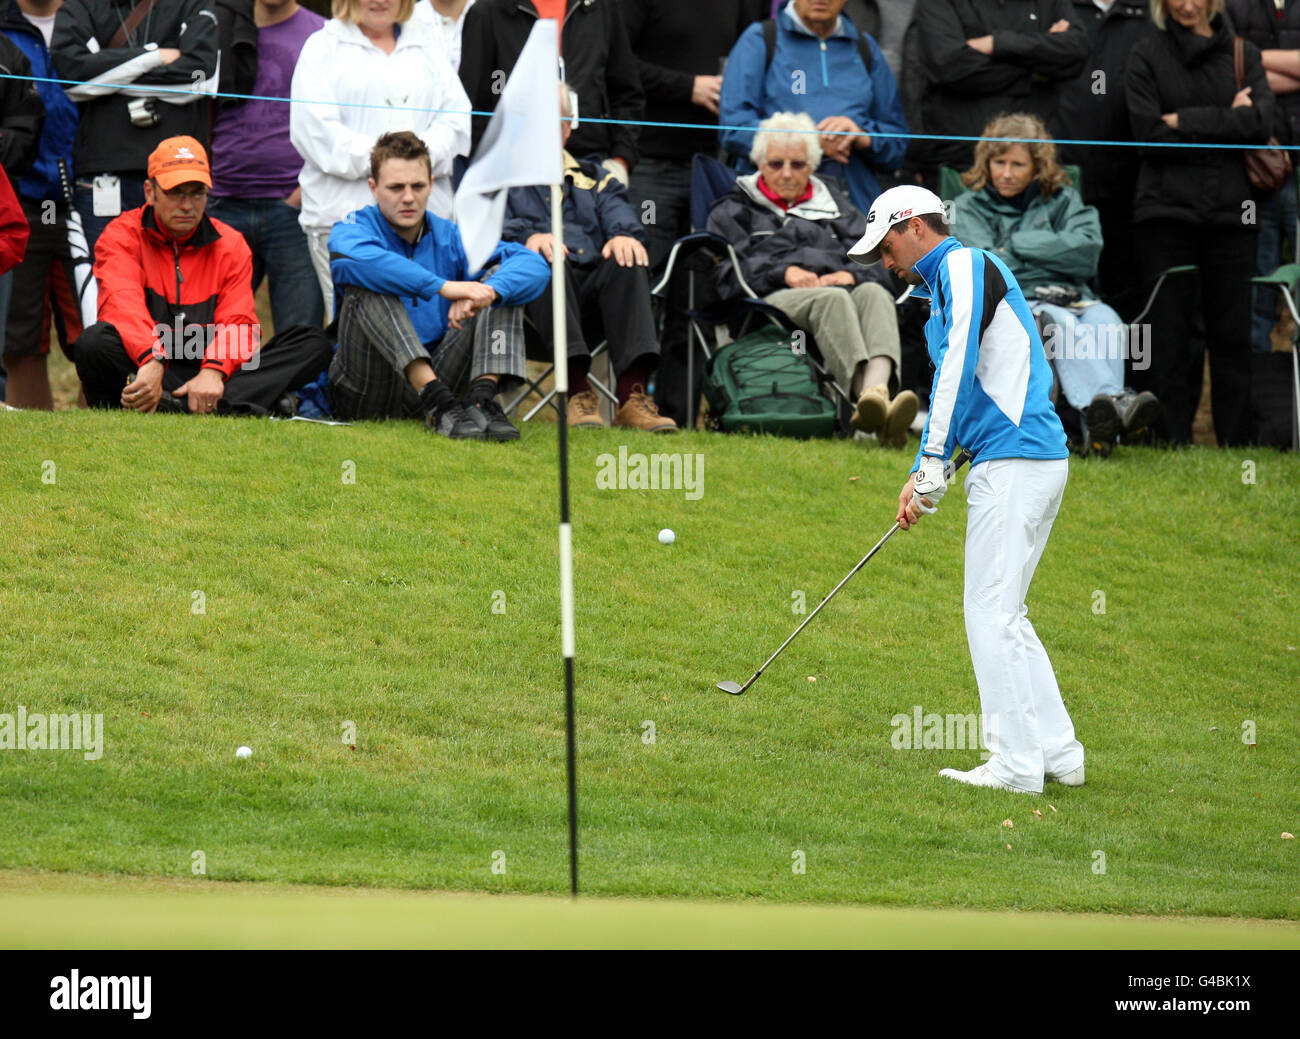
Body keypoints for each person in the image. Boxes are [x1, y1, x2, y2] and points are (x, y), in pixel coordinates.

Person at [849, 184, 1083, 794]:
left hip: (1018, 460)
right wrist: (931, 472)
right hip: (1016, 459)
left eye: (887, 246)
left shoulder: (962, 263)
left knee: (990, 613)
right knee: (1009, 613)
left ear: (915, 228)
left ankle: (1014, 765)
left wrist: (928, 461)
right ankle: (1058, 752)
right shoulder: (942, 288)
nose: (885, 262)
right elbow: (977, 394)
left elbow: (956, 364)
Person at [951, 113, 1161, 455]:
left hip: (1075, 297)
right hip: (1016, 301)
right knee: (1059, 324)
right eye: (998, 162)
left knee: (1106, 318)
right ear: (985, 163)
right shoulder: (965, 207)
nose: (1006, 173)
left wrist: (1017, 245)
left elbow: (1088, 253)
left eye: (1017, 164)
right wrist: (1052, 250)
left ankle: (1102, 425)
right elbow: (988, 266)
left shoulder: (1064, 200)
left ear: (1037, 166)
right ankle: (1114, 406)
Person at [73, 137, 332, 413]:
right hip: (148, 364)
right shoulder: (121, 234)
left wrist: (214, 372)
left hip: (210, 370)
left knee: (313, 344)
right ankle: (231, 406)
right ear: (150, 192)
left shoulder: (231, 243)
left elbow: (239, 322)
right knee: (94, 343)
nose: (187, 205)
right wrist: (152, 358)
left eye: (197, 193)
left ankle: (178, 405)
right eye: (176, 192)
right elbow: (121, 304)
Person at [707, 112, 916, 445]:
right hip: (769, 299)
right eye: (776, 164)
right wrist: (784, 272)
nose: (787, 173)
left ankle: (875, 396)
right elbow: (727, 271)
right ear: (759, 163)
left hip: (837, 288)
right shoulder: (733, 210)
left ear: (812, 166)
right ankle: (870, 409)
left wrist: (850, 273)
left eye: (798, 164)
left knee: (874, 292)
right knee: (831, 299)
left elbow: (877, 257)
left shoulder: (838, 207)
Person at [326, 131, 549, 439]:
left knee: (500, 284)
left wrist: (487, 293)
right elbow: (349, 259)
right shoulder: (353, 226)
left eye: (417, 186)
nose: (408, 197)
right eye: (396, 187)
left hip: (443, 378)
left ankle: (482, 402)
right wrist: (443, 287)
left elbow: (532, 263)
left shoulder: (450, 234)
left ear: (431, 184)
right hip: (365, 385)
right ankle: (438, 401)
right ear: (373, 188)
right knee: (367, 283)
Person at [1126, 0, 1273, 445]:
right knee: (1167, 336)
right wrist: (1230, 117)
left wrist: (1184, 120)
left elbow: (1263, 121)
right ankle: (1167, 440)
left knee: (1231, 336)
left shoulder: (1244, 54)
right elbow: (1149, 136)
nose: (1187, 5)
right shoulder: (1146, 52)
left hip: (1232, 215)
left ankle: (1236, 442)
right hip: (1165, 216)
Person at [503, 87, 678, 432]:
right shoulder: (502, 180)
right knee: (544, 258)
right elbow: (483, 232)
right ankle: (577, 394)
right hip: (533, 310)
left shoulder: (597, 177)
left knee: (627, 256)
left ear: (568, 127)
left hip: (599, 304)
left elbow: (622, 216)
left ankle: (633, 398)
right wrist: (527, 238)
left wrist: (624, 235)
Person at [621, 0, 762, 426]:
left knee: (695, 293)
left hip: (711, 169)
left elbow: (749, 60)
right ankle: (630, 400)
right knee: (645, 284)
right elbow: (620, 64)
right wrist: (689, 87)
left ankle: (678, 415)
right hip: (649, 161)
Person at [290, 0, 470, 319]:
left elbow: (456, 120)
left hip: (424, 223)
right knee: (356, 325)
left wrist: (415, 164)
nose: (380, 1)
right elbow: (315, 131)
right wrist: (388, 163)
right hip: (344, 215)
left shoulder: (427, 43)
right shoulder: (322, 46)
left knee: (427, 323)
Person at [52, 0, 219, 254]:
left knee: (174, 287)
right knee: (106, 284)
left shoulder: (194, 3)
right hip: (103, 175)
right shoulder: (80, 6)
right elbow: (73, 80)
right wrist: (156, 55)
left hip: (177, 179)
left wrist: (106, 74)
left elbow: (200, 80)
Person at [719, 0, 908, 215]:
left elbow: (898, 144)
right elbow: (733, 129)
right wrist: (812, 141)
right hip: (774, 215)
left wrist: (861, 137)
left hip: (853, 210)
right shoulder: (761, 39)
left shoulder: (865, 48)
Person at [208, 0, 326, 333]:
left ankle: (292, 390)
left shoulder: (322, 35)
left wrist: (306, 191)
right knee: (219, 337)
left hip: (294, 208)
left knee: (299, 338)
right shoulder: (216, 25)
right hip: (223, 202)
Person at [459, 0, 643, 188]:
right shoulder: (489, 10)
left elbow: (626, 92)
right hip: (514, 170)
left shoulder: (600, 7)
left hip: (591, 163)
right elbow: (470, 104)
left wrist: (621, 160)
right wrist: (490, 167)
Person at [911, 0, 1087, 176]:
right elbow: (952, 67)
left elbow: (1077, 50)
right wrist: (1036, 69)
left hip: (1037, 159)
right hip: (960, 160)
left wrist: (998, 44)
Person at [1055, 0, 1152, 305]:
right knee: (1062, 290)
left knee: (1127, 289)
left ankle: (1129, 353)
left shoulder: (1151, 12)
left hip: (1132, 178)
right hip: (1060, 174)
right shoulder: (1056, 7)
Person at [2, 1, 66, 409]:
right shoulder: (4, 28)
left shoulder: (89, 18)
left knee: (96, 331)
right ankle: (26, 431)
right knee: (20, 337)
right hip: (19, 196)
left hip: (95, 191)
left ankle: (103, 437)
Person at [1227, 0, 1300, 353]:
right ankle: (1258, 374)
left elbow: (1244, 64)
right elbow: (1229, 68)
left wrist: (1252, 59)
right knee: (1258, 284)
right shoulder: (1234, 6)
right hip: (1257, 171)